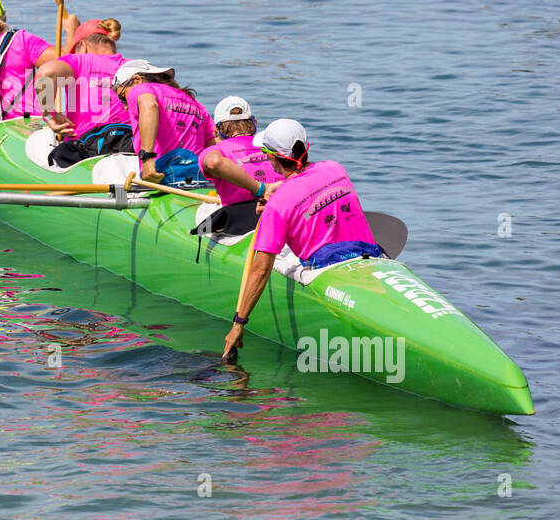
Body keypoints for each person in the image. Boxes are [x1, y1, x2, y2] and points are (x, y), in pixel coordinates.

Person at [222, 119, 382, 360]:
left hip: (327, 270)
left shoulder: (278, 205)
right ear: (305, 147)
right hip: (369, 256)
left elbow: (260, 271)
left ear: (272, 157)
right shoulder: (335, 169)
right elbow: (307, 189)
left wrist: (239, 323)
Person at [112, 60, 218, 182]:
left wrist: (147, 158)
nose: (125, 107)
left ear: (137, 80)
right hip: (198, 178)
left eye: (123, 97)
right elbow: (214, 146)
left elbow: (150, 105)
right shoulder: (196, 104)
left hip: (162, 177)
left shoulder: (140, 89)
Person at [34, 17, 125, 139]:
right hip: (128, 145)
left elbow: (45, 74)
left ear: (82, 46)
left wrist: (49, 115)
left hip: (83, 148)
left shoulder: (79, 61)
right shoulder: (132, 66)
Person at [199, 96, 280, 206]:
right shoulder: (275, 145)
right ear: (254, 122)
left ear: (216, 130)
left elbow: (213, 162)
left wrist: (260, 188)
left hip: (240, 216)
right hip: (280, 210)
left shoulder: (218, 151)